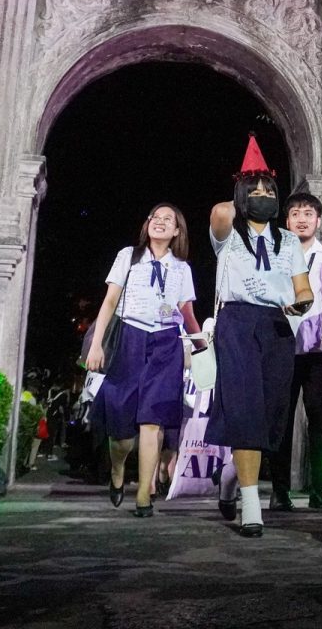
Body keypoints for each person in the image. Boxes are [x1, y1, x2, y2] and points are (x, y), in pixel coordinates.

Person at [206, 137, 315, 538]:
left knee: (270, 418)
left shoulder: (288, 241)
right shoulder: (228, 236)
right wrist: (248, 184)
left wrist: (300, 305)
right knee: (246, 406)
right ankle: (251, 505)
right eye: (256, 190)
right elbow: (219, 213)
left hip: (277, 326)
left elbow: (303, 290)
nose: (264, 195)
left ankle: (232, 477)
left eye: (270, 190)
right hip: (236, 323)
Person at [85, 203, 203, 517]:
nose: (160, 222)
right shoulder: (129, 256)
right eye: (156, 217)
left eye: (169, 219)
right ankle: (118, 469)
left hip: (166, 343)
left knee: (153, 422)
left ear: (177, 231)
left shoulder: (182, 268)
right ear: (147, 224)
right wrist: (96, 346)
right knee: (122, 434)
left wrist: (204, 346)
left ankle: (143, 493)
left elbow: (187, 313)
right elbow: (109, 302)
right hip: (129, 337)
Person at [270, 190, 322, 510]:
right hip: (282, 348)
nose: (301, 219)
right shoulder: (274, 255)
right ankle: (280, 492)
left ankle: (321, 490)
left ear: (319, 220)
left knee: (321, 421)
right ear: (286, 220)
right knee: (281, 421)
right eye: (295, 214)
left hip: (320, 350)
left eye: (308, 213)